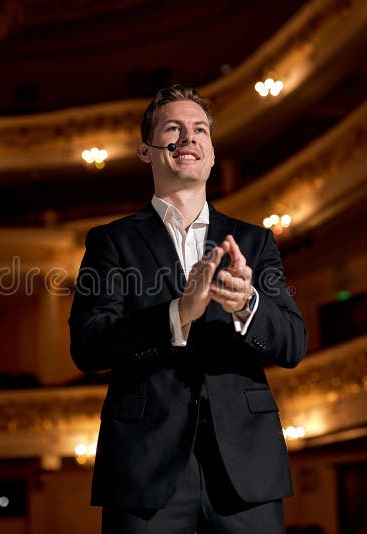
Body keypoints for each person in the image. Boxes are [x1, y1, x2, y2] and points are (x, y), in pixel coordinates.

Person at [69, 84, 307, 533]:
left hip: (245, 467)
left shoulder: (255, 241)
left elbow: (294, 344)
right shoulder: (110, 241)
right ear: (147, 151)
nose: (188, 138)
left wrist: (247, 306)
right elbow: (89, 345)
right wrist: (177, 313)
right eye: (173, 129)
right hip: (144, 466)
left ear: (212, 153)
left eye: (199, 130)